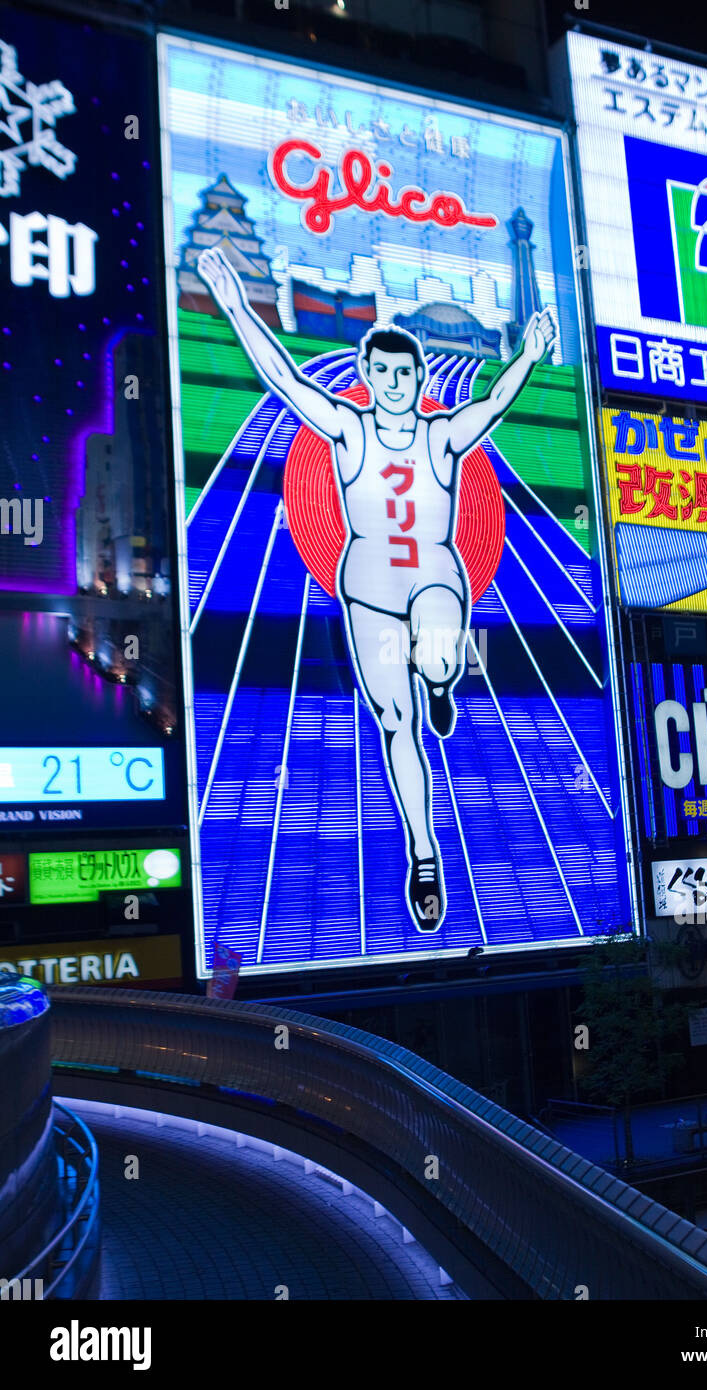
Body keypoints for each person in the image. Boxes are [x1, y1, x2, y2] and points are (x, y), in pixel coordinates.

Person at [196, 245, 557, 931]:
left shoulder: (443, 435)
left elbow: (497, 401)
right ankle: (425, 854)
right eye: (383, 370)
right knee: (399, 723)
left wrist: (532, 353)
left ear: (420, 377)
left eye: (405, 371)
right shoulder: (347, 429)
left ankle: (443, 677)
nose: (394, 381)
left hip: (435, 578)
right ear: (366, 373)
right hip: (367, 589)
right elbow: (280, 377)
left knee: (439, 654)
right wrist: (235, 302)